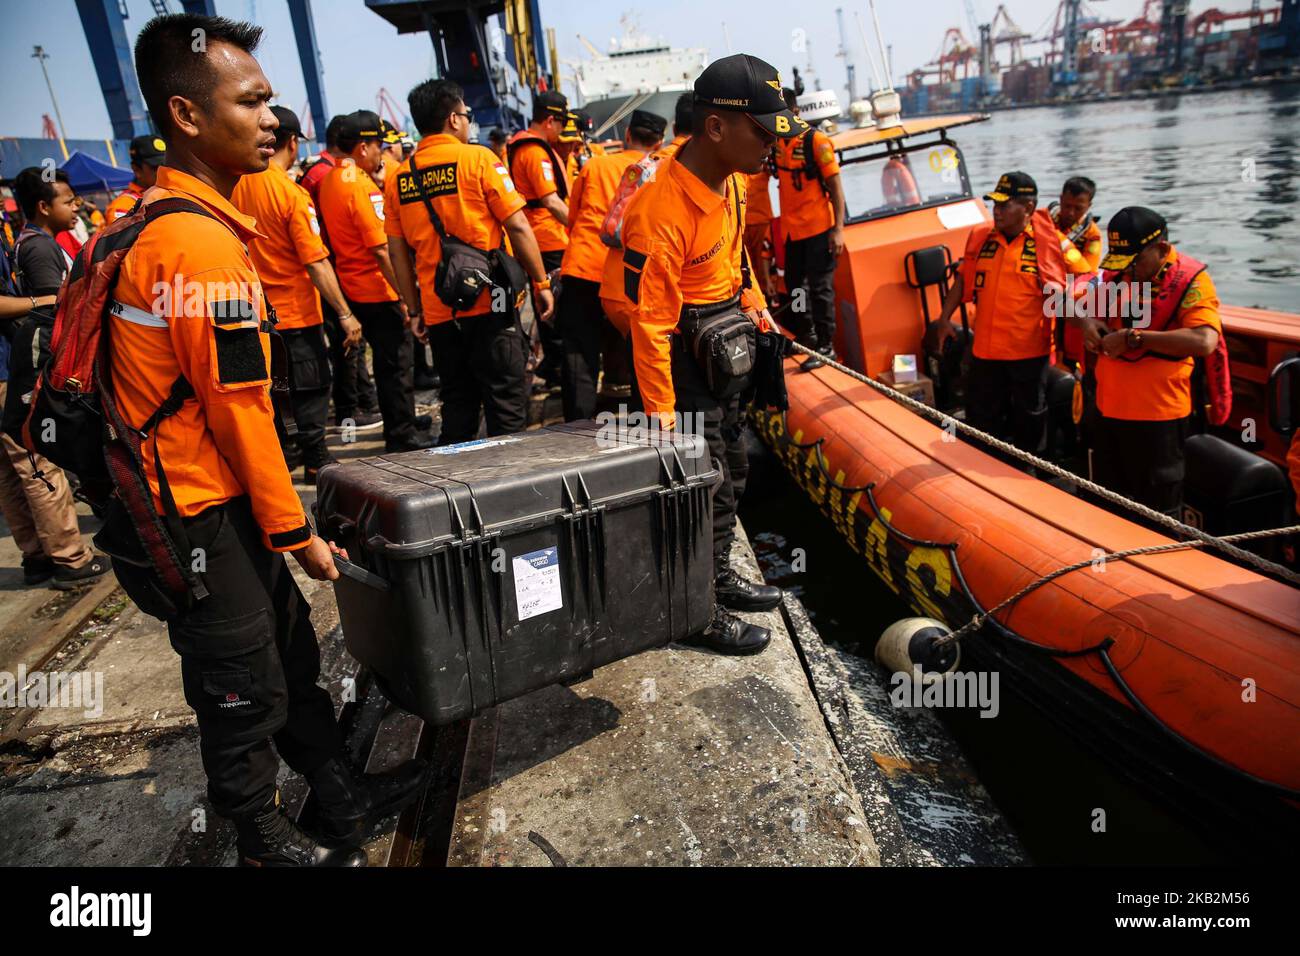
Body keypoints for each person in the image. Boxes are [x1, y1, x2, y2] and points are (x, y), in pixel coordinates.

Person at [105, 13, 426, 867]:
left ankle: (339, 794)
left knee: (284, 654)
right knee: (241, 685)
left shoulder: (164, 218)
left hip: (211, 496)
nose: (273, 122)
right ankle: (258, 835)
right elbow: (240, 411)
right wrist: (297, 533)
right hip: (190, 510)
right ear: (185, 115)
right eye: (251, 103)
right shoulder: (196, 245)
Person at [618, 53, 803, 655]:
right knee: (698, 486)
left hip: (723, 338)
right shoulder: (660, 212)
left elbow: (733, 259)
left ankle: (718, 574)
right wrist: (664, 421)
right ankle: (693, 610)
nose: (774, 144)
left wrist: (754, 305)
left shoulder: (733, 181)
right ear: (718, 127)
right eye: (764, 130)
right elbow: (648, 326)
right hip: (680, 355)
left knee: (734, 469)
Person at [384, 79, 553, 446]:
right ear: (452, 119)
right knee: (506, 404)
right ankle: (510, 492)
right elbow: (519, 226)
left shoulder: (399, 178)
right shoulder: (478, 159)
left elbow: (396, 251)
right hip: (492, 302)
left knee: (458, 404)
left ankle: (460, 493)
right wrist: (541, 283)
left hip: (440, 309)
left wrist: (414, 310)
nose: (468, 121)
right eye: (466, 114)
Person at [231, 106, 363, 484]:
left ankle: (279, 459)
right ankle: (315, 459)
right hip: (295, 313)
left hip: (251, 315)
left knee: (271, 391)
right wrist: (344, 312)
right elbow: (316, 261)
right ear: (292, 142)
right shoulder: (290, 193)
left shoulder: (234, 185)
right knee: (311, 387)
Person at [0, 167, 112, 590]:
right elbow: (57, 317)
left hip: (10, 365)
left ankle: (36, 557)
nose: (75, 206)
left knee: (13, 471)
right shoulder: (41, 247)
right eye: (66, 201)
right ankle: (69, 558)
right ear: (44, 206)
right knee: (37, 463)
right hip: (15, 370)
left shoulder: (24, 241)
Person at [1077, 207, 1223, 515]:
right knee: (1108, 504)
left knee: (1158, 511)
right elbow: (1074, 305)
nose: (1129, 269)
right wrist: (1088, 324)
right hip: (1108, 411)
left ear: (1161, 249)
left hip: (1159, 420)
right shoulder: (1119, 274)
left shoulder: (1192, 281)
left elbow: (1204, 341)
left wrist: (1135, 338)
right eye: (1123, 261)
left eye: (1136, 260)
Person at [937, 171, 1088, 456]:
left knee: (1030, 420)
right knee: (983, 417)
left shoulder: (1052, 245)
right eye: (995, 204)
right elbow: (962, 280)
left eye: (1005, 205)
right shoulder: (982, 238)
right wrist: (944, 319)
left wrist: (1087, 326)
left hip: (1028, 354)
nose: (997, 211)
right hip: (984, 351)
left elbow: (1087, 281)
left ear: (1028, 208)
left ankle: (1028, 472)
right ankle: (984, 464)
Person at [318, 109, 428, 453]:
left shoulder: (330, 181)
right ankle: (402, 435)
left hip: (355, 286)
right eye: (378, 144)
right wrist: (409, 299)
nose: (382, 151)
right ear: (363, 147)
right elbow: (382, 250)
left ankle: (403, 420)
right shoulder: (362, 187)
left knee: (384, 363)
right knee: (397, 365)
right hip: (378, 288)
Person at [558, 109, 667, 421]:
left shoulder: (594, 165)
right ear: (659, 142)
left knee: (580, 352)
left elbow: (573, 218)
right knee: (640, 351)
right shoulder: (660, 171)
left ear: (627, 135)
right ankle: (639, 422)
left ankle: (577, 426)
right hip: (629, 275)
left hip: (583, 266)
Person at [299, 115, 382, 434]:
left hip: (335, 269)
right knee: (350, 346)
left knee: (350, 347)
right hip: (334, 271)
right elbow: (377, 245)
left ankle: (361, 404)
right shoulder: (332, 176)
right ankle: (354, 409)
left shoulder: (326, 174)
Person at [773, 88, 846, 365]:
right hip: (792, 231)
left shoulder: (817, 142)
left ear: (795, 113)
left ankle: (827, 345)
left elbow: (836, 188)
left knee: (820, 288)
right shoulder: (778, 144)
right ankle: (808, 336)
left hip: (818, 228)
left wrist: (838, 229)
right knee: (796, 288)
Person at [508, 90, 570, 387]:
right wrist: (582, 228)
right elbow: (551, 201)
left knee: (551, 307)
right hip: (548, 240)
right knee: (554, 307)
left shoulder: (529, 147)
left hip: (546, 239)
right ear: (550, 120)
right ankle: (557, 367)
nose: (562, 130)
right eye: (561, 123)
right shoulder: (533, 152)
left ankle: (554, 365)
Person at [105, 134, 166, 223]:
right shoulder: (123, 207)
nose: (163, 171)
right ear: (137, 170)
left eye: (165, 166)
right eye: (155, 168)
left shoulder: (172, 193)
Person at [744, 149, 775, 298]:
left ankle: (771, 302)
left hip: (762, 224)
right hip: (740, 227)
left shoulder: (762, 163)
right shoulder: (733, 167)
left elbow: (777, 167)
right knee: (747, 273)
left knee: (765, 269)